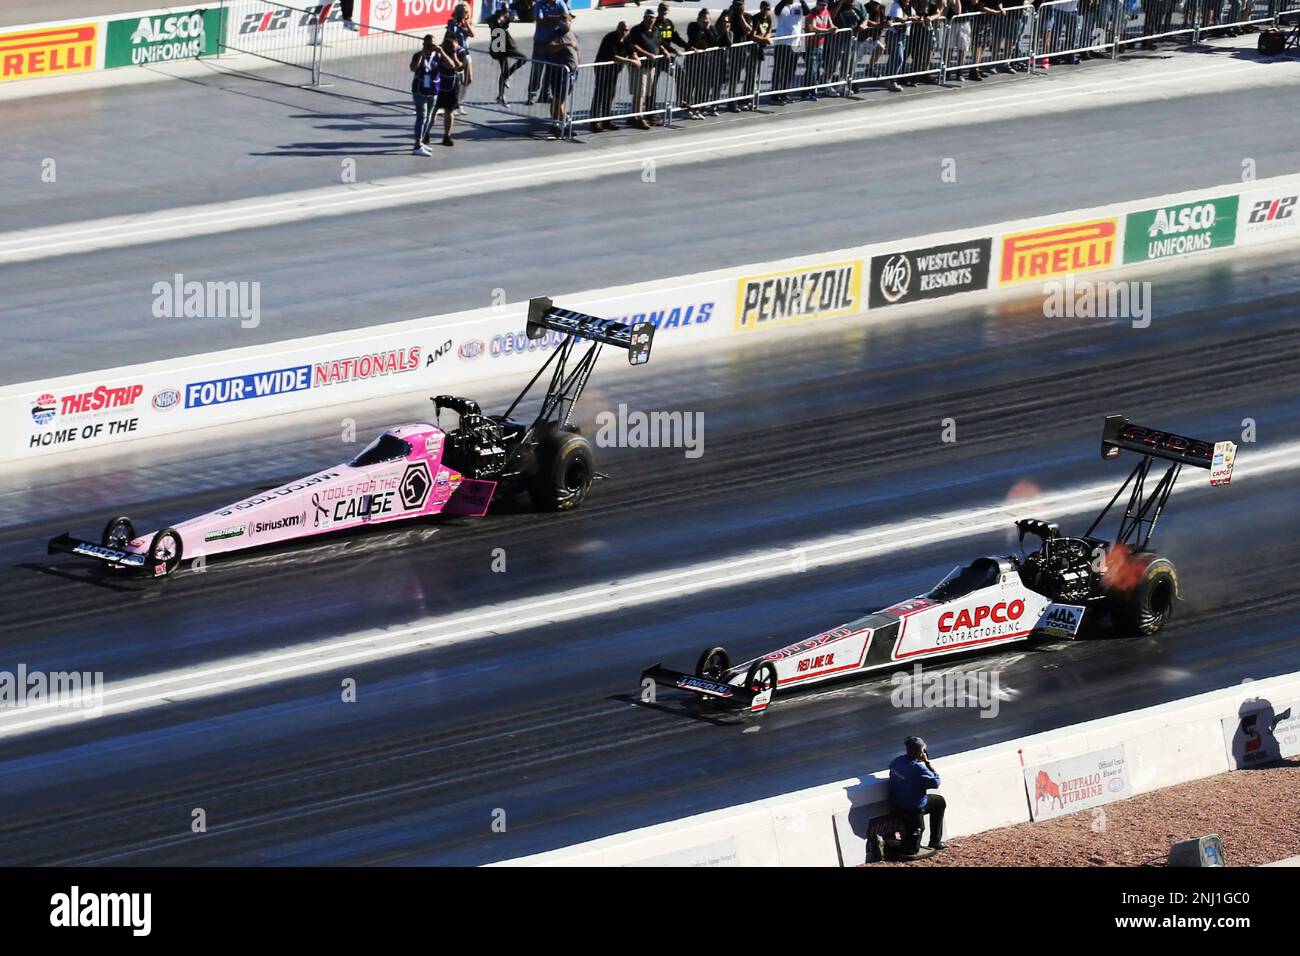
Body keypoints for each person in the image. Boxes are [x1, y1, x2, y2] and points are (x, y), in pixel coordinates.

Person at [887, 737, 947, 853]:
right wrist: (927, 763)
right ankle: (935, 841)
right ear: (921, 752)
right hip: (913, 809)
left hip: (896, 805)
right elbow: (936, 782)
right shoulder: (920, 768)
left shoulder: (897, 761)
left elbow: (892, 771)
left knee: (938, 801)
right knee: (912, 850)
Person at [591, 21, 639, 129]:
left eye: (626, 30)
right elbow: (614, 57)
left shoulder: (627, 38)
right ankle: (594, 121)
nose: (623, 32)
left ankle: (606, 120)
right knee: (599, 94)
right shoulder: (610, 38)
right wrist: (631, 62)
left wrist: (635, 57)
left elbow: (631, 50)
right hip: (602, 69)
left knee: (610, 95)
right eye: (622, 29)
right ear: (617, 28)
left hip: (614, 71)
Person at [527, 0, 572, 105]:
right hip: (541, 41)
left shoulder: (560, 3)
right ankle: (532, 95)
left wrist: (549, 18)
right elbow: (539, 20)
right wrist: (558, 18)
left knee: (551, 69)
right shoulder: (540, 3)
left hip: (554, 42)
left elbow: (566, 18)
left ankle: (545, 94)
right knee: (537, 69)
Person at [627, 9, 662, 127]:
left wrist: (666, 51)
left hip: (651, 66)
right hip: (640, 66)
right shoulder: (637, 30)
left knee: (646, 92)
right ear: (644, 18)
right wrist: (648, 55)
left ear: (655, 19)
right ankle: (638, 117)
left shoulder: (657, 30)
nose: (649, 21)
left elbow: (659, 43)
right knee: (639, 92)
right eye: (647, 18)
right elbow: (633, 45)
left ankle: (635, 115)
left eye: (651, 19)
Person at [409, 34, 443, 155]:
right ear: (423, 44)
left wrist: (441, 51)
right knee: (421, 117)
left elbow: (450, 65)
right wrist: (423, 53)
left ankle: (421, 141)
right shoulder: (418, 55)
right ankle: (417, 145)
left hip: (433, 89)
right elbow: (413, 68)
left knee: (428, 117)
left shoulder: (438, 55)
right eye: (428, 44)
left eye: (432, 44)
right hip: (420, 90)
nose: (430, 46)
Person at [545, 20, 580, 136]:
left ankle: (555, 124)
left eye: (569, 20)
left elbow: (577, 50)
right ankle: (561, 125)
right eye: (565, 21)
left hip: (572, 71)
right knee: (559, 99)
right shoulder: (555, 34)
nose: (567, 23)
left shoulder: (573, 34)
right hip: (560, 71)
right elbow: (550, 48)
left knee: (561, 99)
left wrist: (578, 64)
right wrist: (566, 44)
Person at [487, 5, 527, 105]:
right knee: (503, 70)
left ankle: (508, 75)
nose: (506, 13)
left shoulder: (506, 18)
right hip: (498, 47)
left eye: (506, 11)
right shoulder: (493, 19)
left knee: (523, 59)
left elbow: (505, 25)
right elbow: (495, 29)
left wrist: (505, 19)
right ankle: (501, 95)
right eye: (504, 11)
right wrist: (500, 20)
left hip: (508, 46)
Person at [772, 0, 807, 103]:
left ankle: (784, 93)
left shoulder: (799, 6)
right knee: (779, 70)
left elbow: (807, 11)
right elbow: (777, 11)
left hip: (795, 43)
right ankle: (774, 95)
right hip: (782, 43)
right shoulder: (782, 6)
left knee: (790, 70)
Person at [432, 37, 463, 147]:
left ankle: (447, 136)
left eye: (454, 47)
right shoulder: (439, 53)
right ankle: (426, 133)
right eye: (451, 47)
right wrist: (443, 52)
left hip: (452, 86)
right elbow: (449, 65)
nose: (453, 49)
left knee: (449, 111)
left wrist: (454, 54)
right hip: (438, 85)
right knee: (433, 110)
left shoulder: (460, 52)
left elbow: (458, 66)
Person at [444, 3, 475, 115]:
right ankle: (454, 104)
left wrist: (466, 23)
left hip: (466, 53)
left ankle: (460, 101)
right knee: (458, 79)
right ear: (458, 12)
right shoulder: (452, 23)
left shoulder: (468, 23)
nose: (465, 14)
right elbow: (450, 35)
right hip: (456, 53)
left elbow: (472, 34)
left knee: (469, 79)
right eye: (463, 12)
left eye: (467, 12)